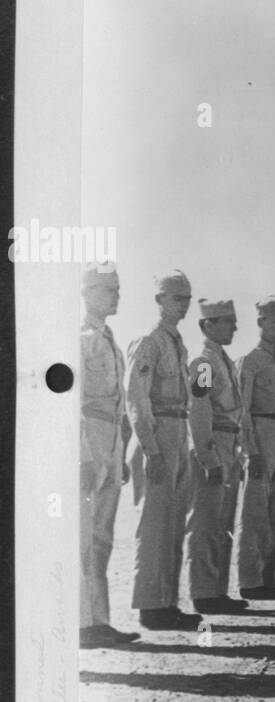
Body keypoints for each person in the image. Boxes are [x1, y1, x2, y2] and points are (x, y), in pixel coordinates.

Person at [125, 270, 201, 631]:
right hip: (157, 435)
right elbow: (136, 399)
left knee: (173, 522)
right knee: (154, 522)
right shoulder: (148, 342)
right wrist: (151, 450)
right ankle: (150, 606)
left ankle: (167, 602)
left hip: (178, 430)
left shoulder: (178, 344)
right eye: (175, 298)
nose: (182, 305)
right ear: (158, 300)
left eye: (186, 299)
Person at [79, 261, 138, 648]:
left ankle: (99, 621)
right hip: (89, 437)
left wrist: (121, 452)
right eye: (107, 290)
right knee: (82, 536)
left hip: (111, 439)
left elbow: (119, 402)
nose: (115, 296)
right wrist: (83, 455)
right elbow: (73, 402)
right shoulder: (81, 338)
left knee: (102, 537)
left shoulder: (111, 341)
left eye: (116, 289)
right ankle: (84, 622)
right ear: (87, 294)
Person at [184, 298, 250, 616]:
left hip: (230, 440)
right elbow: (199, 410)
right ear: (207, 325)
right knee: (207, 521)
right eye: (227, 320)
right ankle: (204, 591)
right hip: (214, 442)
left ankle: (216, 589)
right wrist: (208, 457)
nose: (234, 326)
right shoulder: (205, 363)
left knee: (222, 521)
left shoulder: (222, 360)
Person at [236, 297, 275, 600]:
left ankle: (267, 577)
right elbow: (243, 410)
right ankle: (250, 580)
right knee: (255, 510)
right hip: (260, 432)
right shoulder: (251, 360)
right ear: (260, 323)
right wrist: (252, 450)